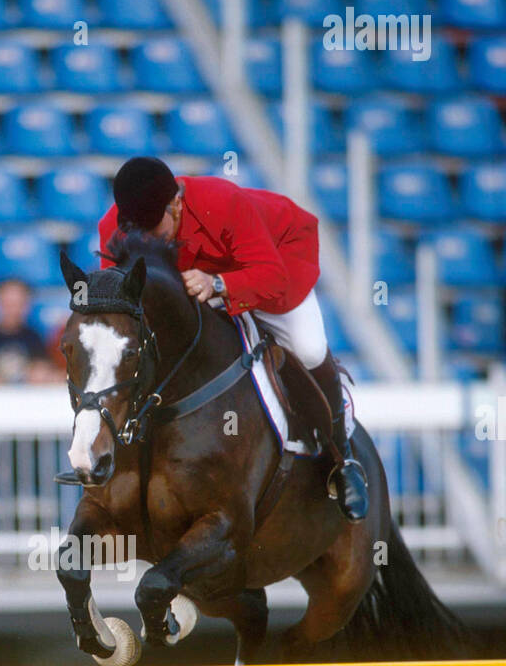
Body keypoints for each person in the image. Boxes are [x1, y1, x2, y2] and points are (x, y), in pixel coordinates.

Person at [98, 156, 368, 521]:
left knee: (308, 348)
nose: (143, 237)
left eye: (152, 226)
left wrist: (219, 284)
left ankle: (342, 456)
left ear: (175, 203)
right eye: (136, 228)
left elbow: (271, 275)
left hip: (273, 263)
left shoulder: (222, 201)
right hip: (199, 284)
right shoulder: (115, 227)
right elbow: (122, 302)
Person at [0, 279, 55, 385]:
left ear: (27, 306)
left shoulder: (34, 337)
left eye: (18, 304)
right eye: (8, 304)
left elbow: (42, 369)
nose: (13, 310)